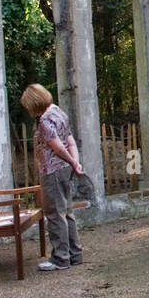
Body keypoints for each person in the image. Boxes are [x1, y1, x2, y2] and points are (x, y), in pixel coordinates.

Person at [20, 84, 85, 272]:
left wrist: (72, 161)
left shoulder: (45, 121)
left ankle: (60, 258)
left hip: (52, 171)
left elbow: (58, 147)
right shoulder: (58, 112)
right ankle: (75, 254)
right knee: (67, 211)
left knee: (55, 214)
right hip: (65, 169)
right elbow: (70, 140)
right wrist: (75, 163)